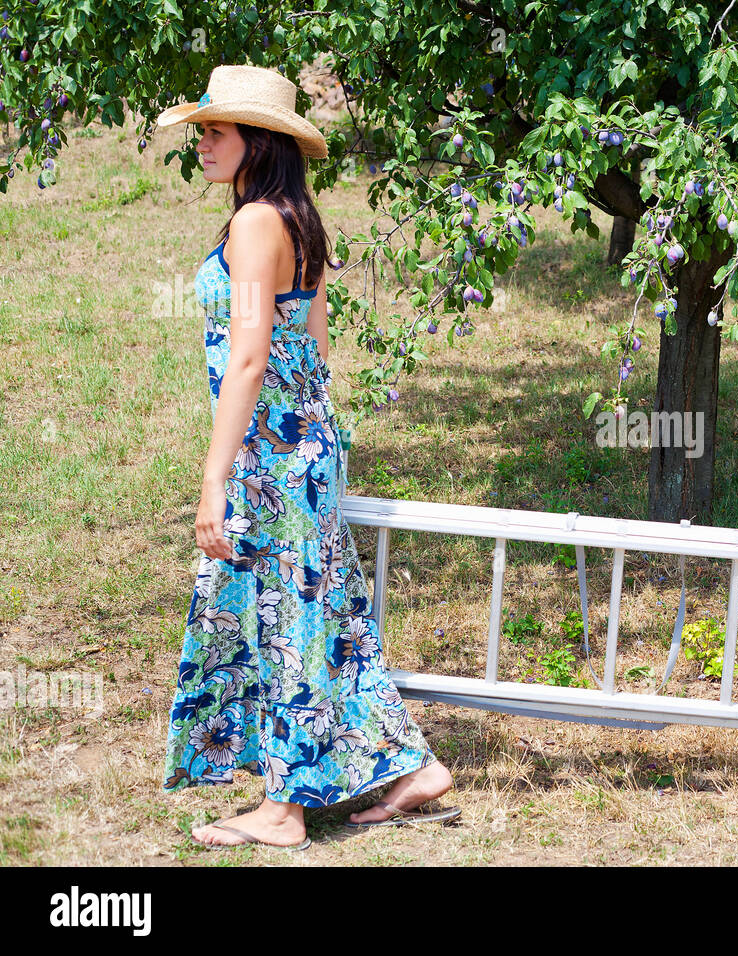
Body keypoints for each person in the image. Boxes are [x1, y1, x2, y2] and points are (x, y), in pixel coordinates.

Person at [157, 64, 457, 850]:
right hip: (303, 442)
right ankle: (408, 768)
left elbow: (251, 357)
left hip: (274, 451)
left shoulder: (259, 221)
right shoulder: (298, 217)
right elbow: (313, 349)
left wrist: (216, 478)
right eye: (202, 132)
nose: (205, 144)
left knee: (285, 616)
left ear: (261, 139)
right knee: (313, 614)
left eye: (216, 131)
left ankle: (286, 810)